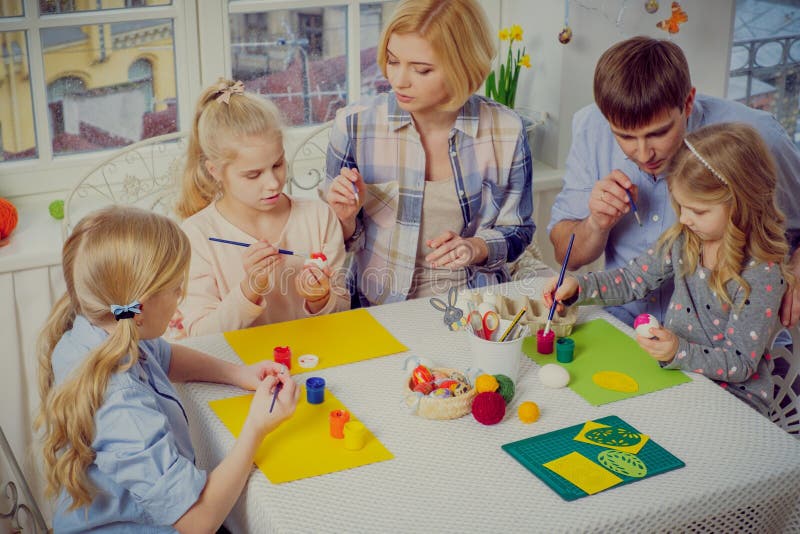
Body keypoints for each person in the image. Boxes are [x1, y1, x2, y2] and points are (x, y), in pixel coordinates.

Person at [36, 206, 299, 532]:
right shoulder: (123, 405)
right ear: (141, 306)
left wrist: (237, 373)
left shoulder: (107, 326)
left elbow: (167, 357)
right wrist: (256, 427)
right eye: (176, 289)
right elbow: (197, 521)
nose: (181, 296)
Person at [548, 36, 800, 329]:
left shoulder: (757, 137)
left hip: (727, 337)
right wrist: (596, 223)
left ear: (688, 102)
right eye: (626, 137)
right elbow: (567, 255)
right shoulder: (591, 126)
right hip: (624, 325)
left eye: (658, 133)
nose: (643, 154)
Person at [544, 123, 792, 415]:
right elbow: (632, 279)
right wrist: (580, 288)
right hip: (678, 376)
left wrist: (678, 352)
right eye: (680, 205)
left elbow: (740, 363)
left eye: (698, 211)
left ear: (741, 204)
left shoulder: (761, 273)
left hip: (734, 401)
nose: (684, 218)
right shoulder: (685, 239)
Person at [324, 0, 534, 306]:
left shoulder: (507, 131)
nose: (398, 80)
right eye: (393, 61)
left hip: (474, 306)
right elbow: (331, 239)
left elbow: (518, 230)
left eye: (421, 69)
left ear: (462, 67)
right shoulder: (354, 125)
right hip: (377, 307)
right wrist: (343, 218)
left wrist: (476, 247)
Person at [175, 79, 350, 336]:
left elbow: (344, 314)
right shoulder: (196, 235)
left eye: (278, 165)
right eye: (253, 174)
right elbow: (201, 335)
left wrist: (320, 299)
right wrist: (250, 289)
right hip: (238, 370)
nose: (273, 183)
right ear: (215, 171)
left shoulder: (319, 217)